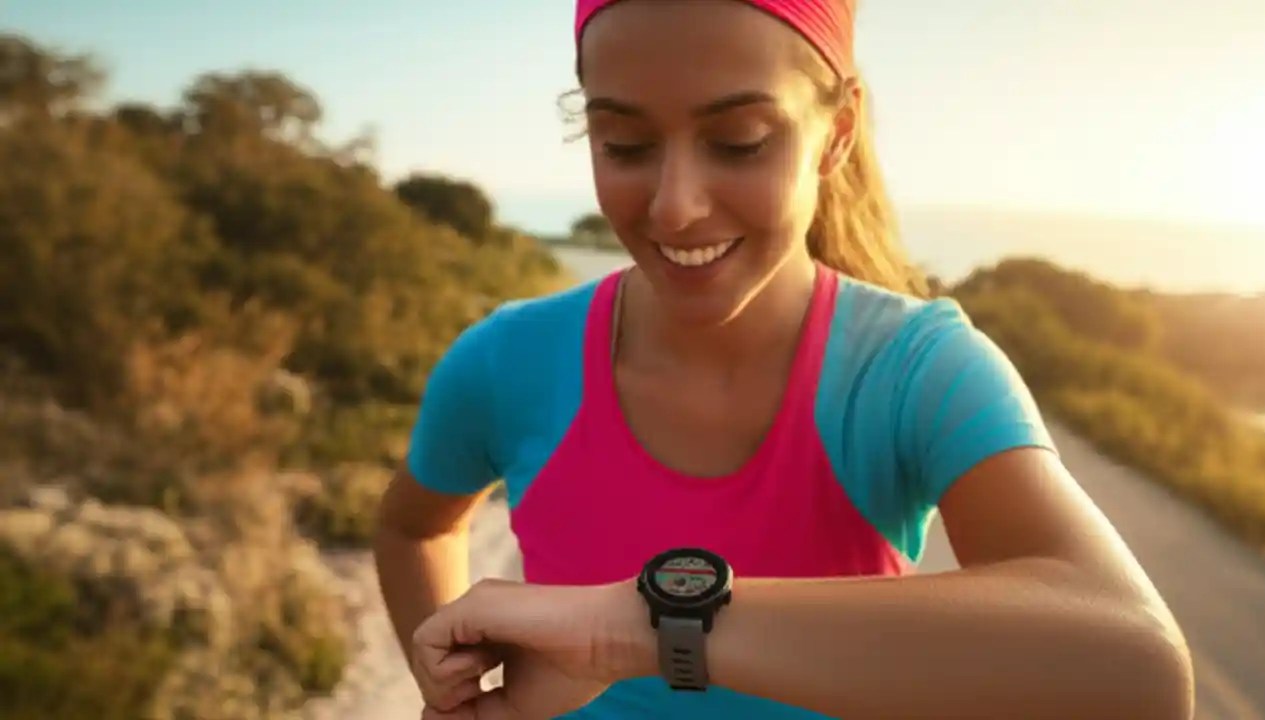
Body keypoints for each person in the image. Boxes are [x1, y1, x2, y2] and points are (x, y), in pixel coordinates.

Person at [374, 1, 1194, 718]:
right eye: (622, 142)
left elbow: (1136, 672)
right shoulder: (504, 360)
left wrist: (634, 629)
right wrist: (448, 684)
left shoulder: (912, 370)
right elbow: (416, 524)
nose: (674, 205)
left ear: (835, 136)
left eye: (739, 141)